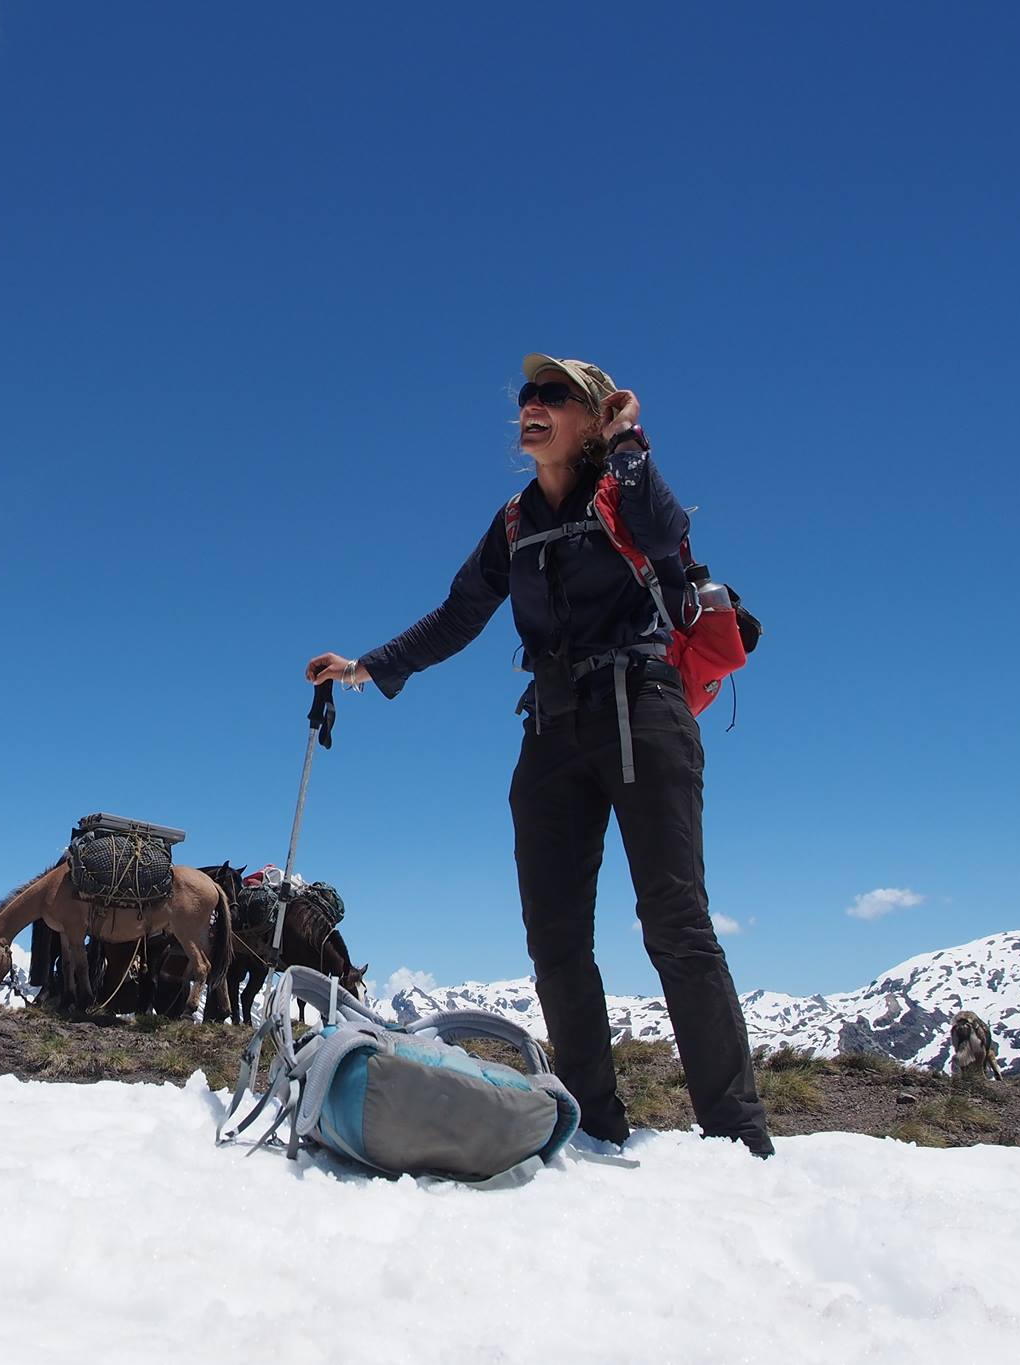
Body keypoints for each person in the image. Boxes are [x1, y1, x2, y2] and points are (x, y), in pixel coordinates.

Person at [305, 354, 772, 1156]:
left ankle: (736, 1133)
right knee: (555, 937)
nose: (531, 405)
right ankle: (593, 1124)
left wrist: (632, 444)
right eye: (526, 395)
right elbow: (459, 614)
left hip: (646, 716)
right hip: (551, 730)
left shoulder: (628, 487)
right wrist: (368, 666)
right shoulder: (515, 520)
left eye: (553, 396)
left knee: (674, 920)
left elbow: (665, 534)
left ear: (591, 418)